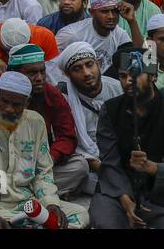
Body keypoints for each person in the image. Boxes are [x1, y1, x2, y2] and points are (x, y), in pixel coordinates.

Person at [0, 71, 86, 229]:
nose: (9, 109)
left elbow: (43, 173)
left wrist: (51, 204)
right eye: (4, 101)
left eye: (16, 105)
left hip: (27, 205)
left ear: (26, 103)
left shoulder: (36, 122)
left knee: (80, 213)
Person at [90, 44, 164, 229]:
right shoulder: (111, 109)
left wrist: (150, 167)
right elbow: (109, 162)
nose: (128, 81)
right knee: (104, 224)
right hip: (117, 191)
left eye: (135, 74)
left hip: (162, 195)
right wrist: (125, 200)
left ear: (153, 75)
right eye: (123, 76)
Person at [0, 44, 88, 197]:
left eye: (42, 71)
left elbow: (67, 136)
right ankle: (35, 194)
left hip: (39, 165)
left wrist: (49, 159)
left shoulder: (50, 93)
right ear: (14, 74)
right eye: (32, 73)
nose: (40, 78)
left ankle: (21, 194)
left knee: (79, 167)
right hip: (2, 166)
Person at [51, 40, 121, 195]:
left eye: (90, 65)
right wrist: (99, 166)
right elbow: (66, 141)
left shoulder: (117, 88)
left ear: (98, 64)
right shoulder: (62, 98)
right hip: (88, 161)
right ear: (68, 75)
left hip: (117, 153)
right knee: (81, 172)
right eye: (77, 69)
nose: (87, 73)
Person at [56, 0, 134, 70]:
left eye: (115, 11)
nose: (111, 16)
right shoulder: (71, 34)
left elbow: (135, 58)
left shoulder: (119, 33)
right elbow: (54, 68)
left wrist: (132, 21)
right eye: (104, 11)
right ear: (92, 12)